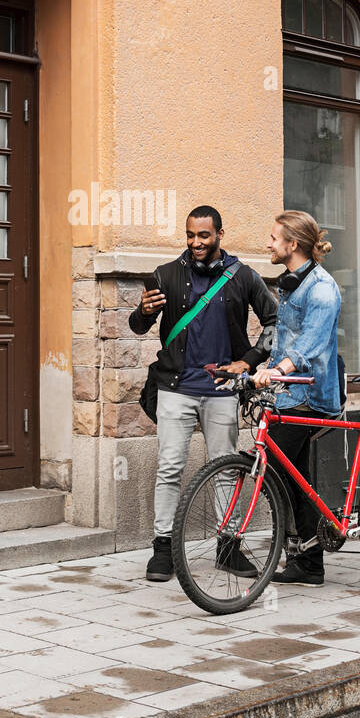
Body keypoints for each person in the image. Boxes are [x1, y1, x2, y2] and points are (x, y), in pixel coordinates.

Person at [129, 205, 277, 582]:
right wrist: (143, 312)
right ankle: (163, 549)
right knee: (169, 469)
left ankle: (227, 548)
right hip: (175, 387)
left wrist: (250, 360)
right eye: (190, 235)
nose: (196, 243)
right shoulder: (165, 274)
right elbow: (138, 326)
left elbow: (276, 319)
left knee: (226, 469)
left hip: (223, 390)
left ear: (219, 235)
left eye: (204, 236)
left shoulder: (242, 276)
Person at [251, 210, 342, 585]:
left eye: (274, 238)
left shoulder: (321, 288)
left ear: (293, 244)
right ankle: (308, 558)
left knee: (279, 467)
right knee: (292, 474)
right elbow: (281, 339)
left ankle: (307, 556)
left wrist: (278, 371)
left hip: (311, 394)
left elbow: (309, 345)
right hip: (288, 392)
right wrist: (248, 365)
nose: (268, 243)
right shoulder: (291, 283)